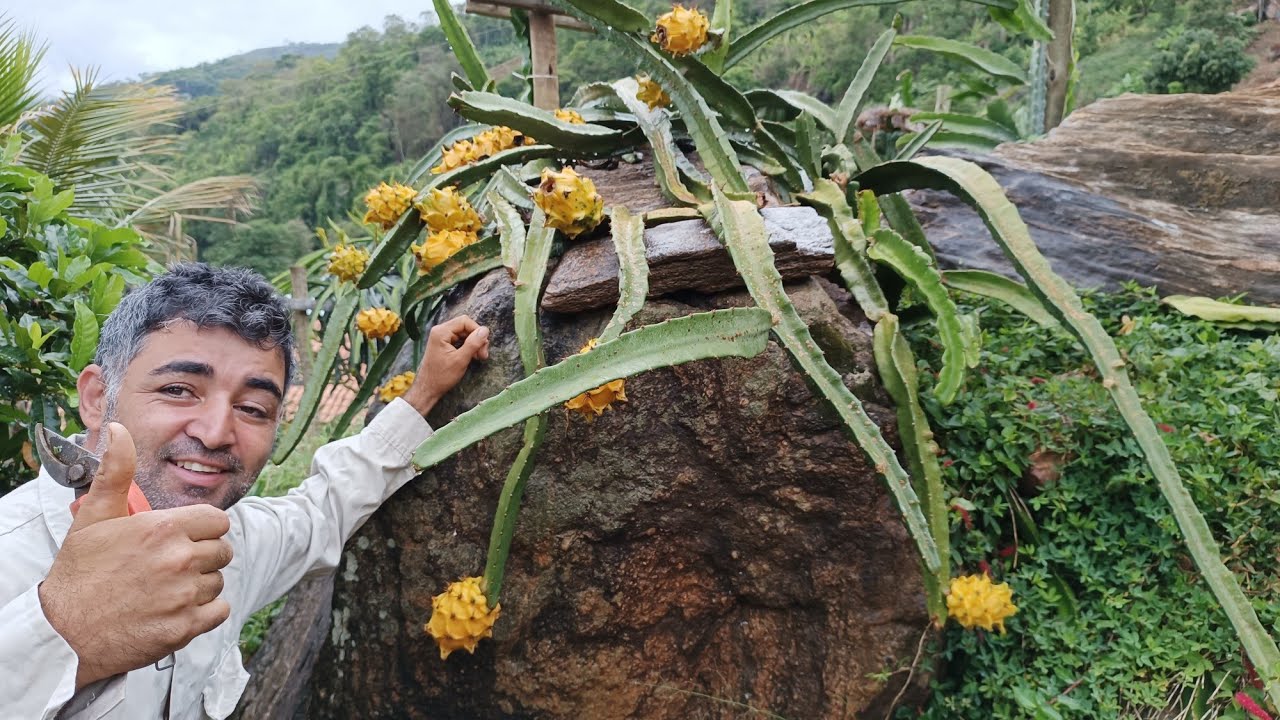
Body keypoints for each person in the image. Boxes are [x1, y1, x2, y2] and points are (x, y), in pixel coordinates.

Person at [0, 263, 490, 719]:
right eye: (178, 390)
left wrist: (424, 393)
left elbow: (325, 507)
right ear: (95, 398)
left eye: (253, 408)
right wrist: (64, 633)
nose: (216, 433)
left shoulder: (230, 546)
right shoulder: (12, 557)